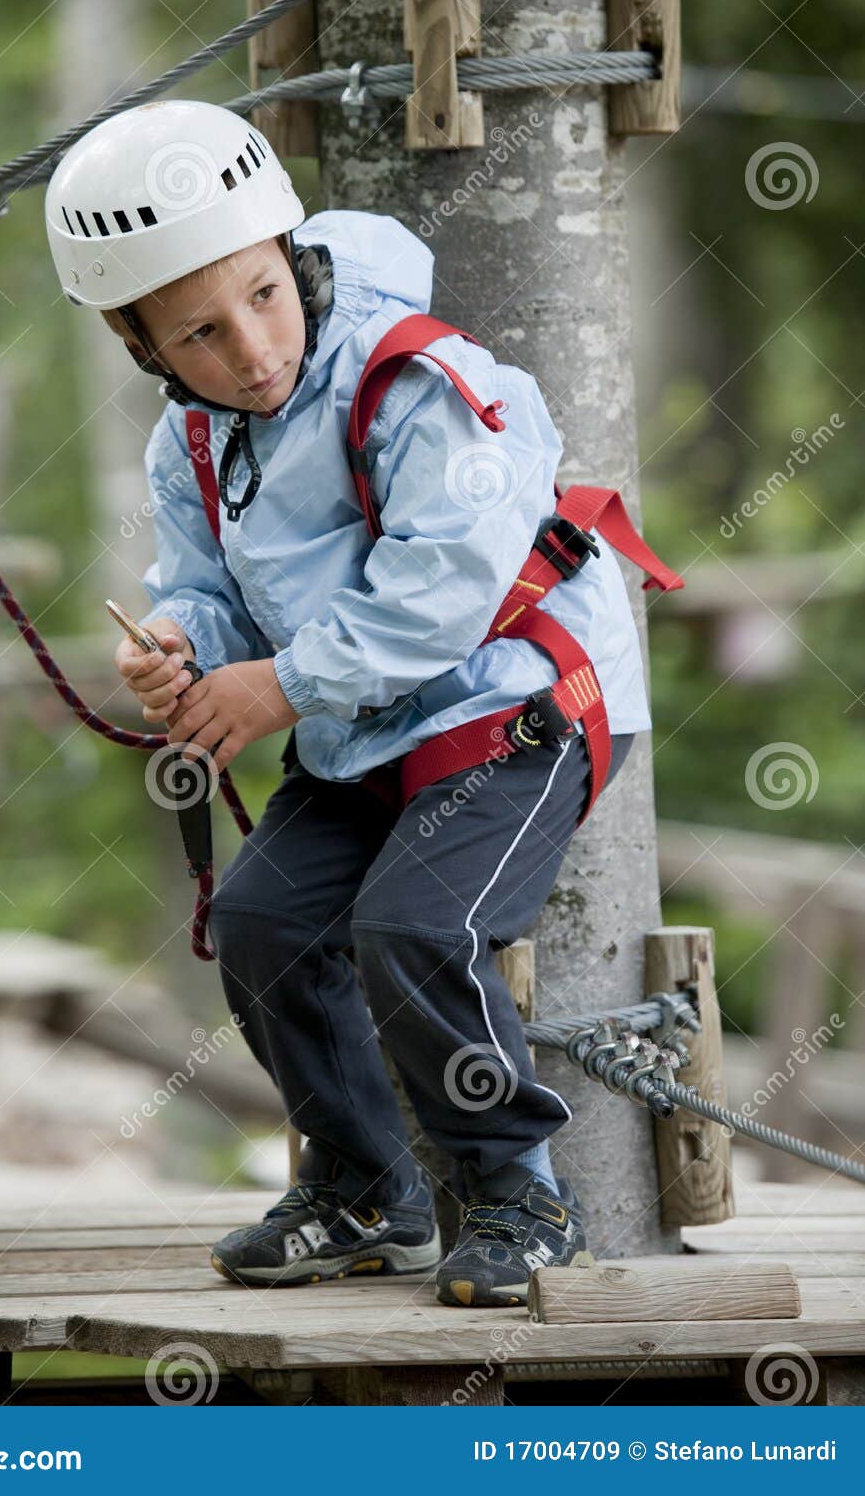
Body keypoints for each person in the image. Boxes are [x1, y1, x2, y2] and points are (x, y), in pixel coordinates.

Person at [44, 98, 650, 1308]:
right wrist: (181, 645)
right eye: (199, 333)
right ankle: (368, 1186)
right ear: (139, 343)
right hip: (359, 725)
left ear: (290, 251)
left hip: (511, 701)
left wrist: (274, 685)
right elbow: (210, 591)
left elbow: (447, 587)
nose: (249, 350)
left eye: (262, 296)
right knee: (261, 923)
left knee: (417, 929)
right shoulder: (191, 442)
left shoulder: (409, 377)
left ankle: (520, 1195)